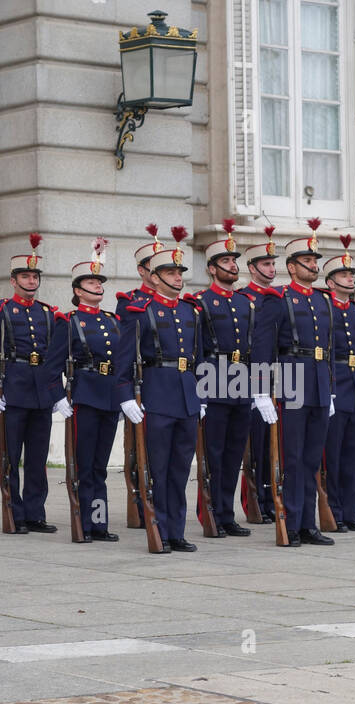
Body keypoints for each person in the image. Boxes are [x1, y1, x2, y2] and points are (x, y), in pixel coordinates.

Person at [0, 233, 69, 534]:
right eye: (25, 276)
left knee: (38, 458)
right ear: (13, 280)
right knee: (11, 456)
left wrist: (58, 392)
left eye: (34, 276)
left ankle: (34, 513)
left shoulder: (47, 313)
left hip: (42, 392)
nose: (31, 281)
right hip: (13, 390)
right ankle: (13, 513)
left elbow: (55, 357)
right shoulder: (0, 311)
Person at [118, 227, 204, 553]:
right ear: (154, 277)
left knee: (181, 469)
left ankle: (177, 531)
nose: (177, 277)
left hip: (186, 396)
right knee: (158, 468)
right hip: (156, 394)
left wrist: (202, 394)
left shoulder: (189, 311)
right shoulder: (140, 311)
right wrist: (126, 396)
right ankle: (158, 528)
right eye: (169, 271)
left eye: (179, 272)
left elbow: (201, 358)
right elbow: (125, 358)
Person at [255, 217, 334, 547]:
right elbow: (261, 345)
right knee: (293, 457)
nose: (314, 266)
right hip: (291, 377)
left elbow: (328, 348)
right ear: (291, 266)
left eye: (316, 261)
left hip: (318, 381)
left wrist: (329, 389)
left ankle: (308, 524)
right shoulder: (278, 298)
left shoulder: (321, 300)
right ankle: (291, 519)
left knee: (313, 457)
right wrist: (260, 390)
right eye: (308, 261)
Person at [188, 218, 258, 537]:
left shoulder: (246, 303)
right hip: (214, 379)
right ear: (212, 269)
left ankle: (227, 514)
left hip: (242, 380)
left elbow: (254, 346)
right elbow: (197, 349)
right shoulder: (201, 303)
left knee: (234, 453)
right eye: (226, 261)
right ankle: (211, 513)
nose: (233, 265)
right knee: (213, 453)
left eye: (234, 260)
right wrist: (201, 393)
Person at [65, 240, 130, 541]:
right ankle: (83, 524)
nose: (97, 286)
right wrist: (58, 397)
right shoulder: (70, 322)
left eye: (99, 281)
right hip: (86, 396)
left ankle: (99, 523)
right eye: (91, 282)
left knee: (101, 466)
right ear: (78, 290)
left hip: (109, 397)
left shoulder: (112, 322)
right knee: (84, 464)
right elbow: (55, 363)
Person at [321, 235, 355, 533]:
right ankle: (334, 512)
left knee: (354, 455)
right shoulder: (325, 308)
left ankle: (351, 512)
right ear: (330, 282)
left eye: (351, 274)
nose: (349, 278)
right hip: (335, 386)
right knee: (333, 455)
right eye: (343, 274)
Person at [240, 226, 283, 523]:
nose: (271, 268)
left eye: (273, 263)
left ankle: (273, 498)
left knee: (277, 444)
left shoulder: (281, 297)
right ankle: (254, 500)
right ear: (252, 268)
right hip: (251, 377)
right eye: (265, 264)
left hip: (283, 376)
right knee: (254, 445)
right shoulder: (244, 299)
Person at [116, 223, 163, 315]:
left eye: (161, 265)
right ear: (141, 270)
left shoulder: (174, 299)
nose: (159, 270)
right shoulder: (129, 300)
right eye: (153, 264)